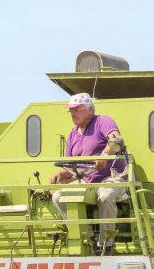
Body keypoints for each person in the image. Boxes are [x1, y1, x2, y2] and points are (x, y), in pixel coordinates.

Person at [51, 93, 125, 255]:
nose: (73, 113)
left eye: (77, 109)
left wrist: (104, 155)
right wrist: (62, 174)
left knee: (106, 196)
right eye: (71, 110)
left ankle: (105, 244)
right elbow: (71, 167)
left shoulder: (102, 122)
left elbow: (117, 140)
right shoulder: (73, 134)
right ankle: (88, 236)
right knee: (58, 197)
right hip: (86, 180)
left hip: (111, 177)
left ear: (90, 109)